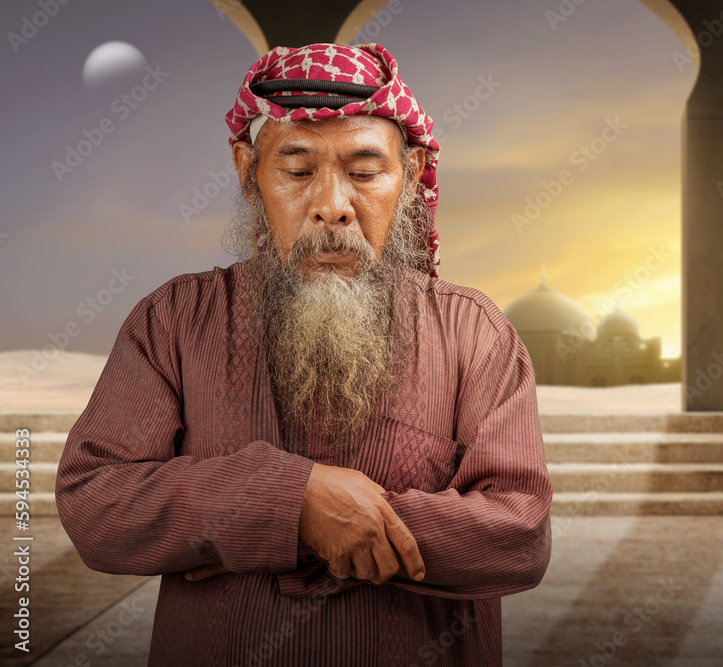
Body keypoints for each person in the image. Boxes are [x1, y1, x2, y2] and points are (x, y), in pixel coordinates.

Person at [55, 42, 552, 667]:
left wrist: (281, 527)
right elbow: (96, 504)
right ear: (247, 171)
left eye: (364, 172)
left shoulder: (474, 333)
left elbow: (517, 537)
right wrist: (294, 502)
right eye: (296, 171)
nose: (332, 206)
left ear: (411, 173)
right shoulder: (174, 322)